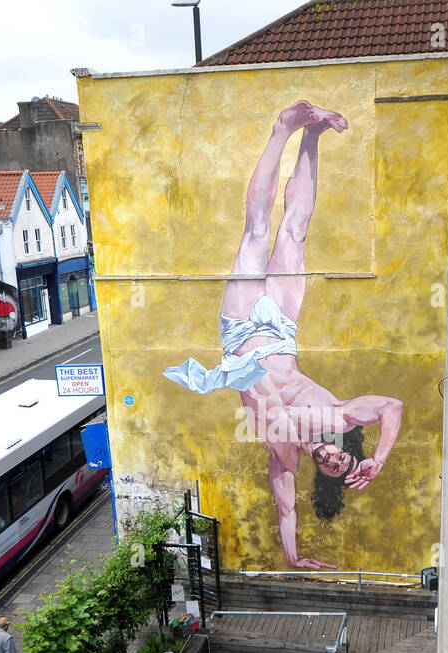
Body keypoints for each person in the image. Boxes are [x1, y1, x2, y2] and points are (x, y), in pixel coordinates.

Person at [164, 101, 404, 570]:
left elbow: (285, 506)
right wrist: (378, 459)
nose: (335, 463)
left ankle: (283, 130)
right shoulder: (340, 417)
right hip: (280, 336)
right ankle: (308, 135)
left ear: (323, 470)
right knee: (293, 232)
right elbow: (391, 407)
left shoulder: (285, 453)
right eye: (344, 461)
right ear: (344, 449)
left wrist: (293, 558)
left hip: (239, 334)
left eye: (335, 470)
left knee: (256, 232)